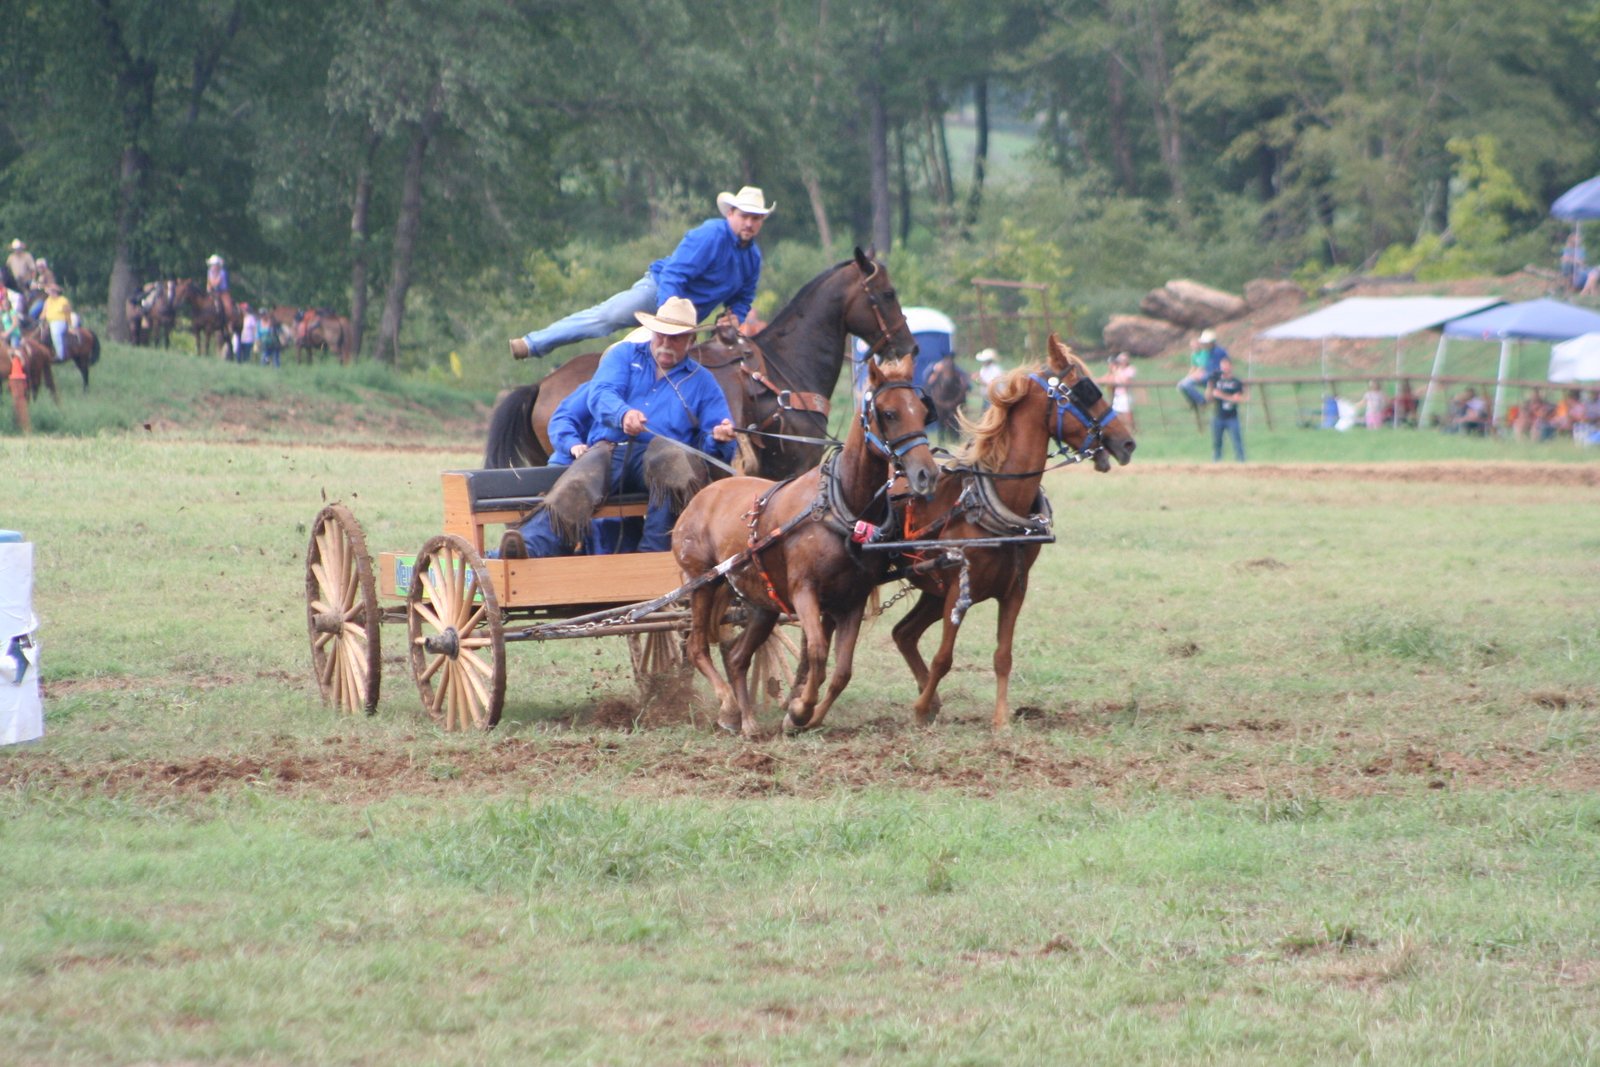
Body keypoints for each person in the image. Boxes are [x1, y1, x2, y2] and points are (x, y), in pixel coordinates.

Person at [502, 297, 736, 558]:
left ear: (691, 342)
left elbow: (715, 444)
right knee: (576, 484)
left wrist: (721, 438)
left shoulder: (704, 382)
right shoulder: (623, 357)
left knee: (673, 462)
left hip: (663, 460)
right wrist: (622, 414)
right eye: (661, 336)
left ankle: (653, 555)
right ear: (652, 333)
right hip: (610, 451)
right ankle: (528, 548)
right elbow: (601, 394)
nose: (666, 344)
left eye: (676, 338)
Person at [509, 185, 773, 360]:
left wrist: (733, 318)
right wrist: (668, 314)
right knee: (607, 316)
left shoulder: (753, 258)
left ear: (761, 222)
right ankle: (533, 344)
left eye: (756, 218)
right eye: (744, 216)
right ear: (730, 214)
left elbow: (743, 297)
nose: (749, 223)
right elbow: (674, 275)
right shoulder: (710, 235)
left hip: (688, 317)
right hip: (658, 292)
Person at [1206, 355, 1248, 462]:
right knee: (1217, 442)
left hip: (1232, 417)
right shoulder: (1216, 381)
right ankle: (1216, 462)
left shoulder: (1236, 382)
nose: (1224, 368)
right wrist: (1209, 386)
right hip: (1218, 415)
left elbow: (1240, 398)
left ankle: (1241, 461)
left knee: (1237, 441)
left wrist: (1222, 395)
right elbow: (1209, 396)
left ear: (1231, 367)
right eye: (1222, 366)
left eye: (1226, 365)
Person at [1179, 329, 1226, 409]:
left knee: (1184, 384)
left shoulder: (1217, 352)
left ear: (1211, 342)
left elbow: (1218, 369)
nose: (1203, 344)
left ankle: (1201, 401)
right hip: (1208, 376)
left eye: (1205, 342)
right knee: (1182, 385)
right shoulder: (1210, 351)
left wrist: (1210, 384)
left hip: (1213, 378)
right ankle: (1198, 401)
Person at [41, 284, 71, 364]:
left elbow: (68, 312)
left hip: (60, 321)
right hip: (49, 322)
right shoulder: (48, 301)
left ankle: (60, 355)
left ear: (56, 292)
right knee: (40, 333)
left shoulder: (63, 300)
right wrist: (41, 319)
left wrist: (69, 323)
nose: (50, 294)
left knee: (56, 333)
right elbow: (44, 312)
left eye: (51, 292)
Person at [1106, 351, 1137, 430]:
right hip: (1117, 394)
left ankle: (1132, 428)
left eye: (1122, 361)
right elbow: (1110, 379)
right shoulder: (1117, 370)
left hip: (1125, 394)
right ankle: (1122, 428)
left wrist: (1116, 373)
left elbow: (1125, 382)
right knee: (1117, 413)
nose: (1120, 363)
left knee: (1127, 412)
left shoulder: (1130, 369)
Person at [6, 340, 28, 433]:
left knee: (19, 399)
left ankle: (24, 424)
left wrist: (19, 355)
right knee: (17, 399)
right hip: (14, 378)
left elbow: (23, 363)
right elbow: (10, 355)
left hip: (18, 378)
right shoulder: (14, 359)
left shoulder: (18, 359)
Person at [205, 254, 234, 323]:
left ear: (218, 265)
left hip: (223, 292)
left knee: (228, 306)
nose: (213, 266)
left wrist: (210, 285)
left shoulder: (222, 272)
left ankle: (229, 321)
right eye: (212, 264)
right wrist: (208, 289)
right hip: (213, 291)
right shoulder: (209, 271)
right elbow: (209, 282)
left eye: (214, 264)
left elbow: (216, 282)